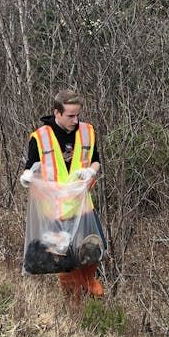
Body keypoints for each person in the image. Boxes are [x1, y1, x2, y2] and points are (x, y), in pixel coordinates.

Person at [19, 90, 105, 299]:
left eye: (78, 115)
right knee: (64, 261)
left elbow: (96, 160)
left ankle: (90, 290)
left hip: (83, 207)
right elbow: (31, 167)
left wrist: (91, 171)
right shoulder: (40, 138)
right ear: (56, 112)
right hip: (55, 212)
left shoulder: (87, 132)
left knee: (93, 251)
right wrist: (27, 176)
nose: (75, 120)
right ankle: (74, 304)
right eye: (70, 116)